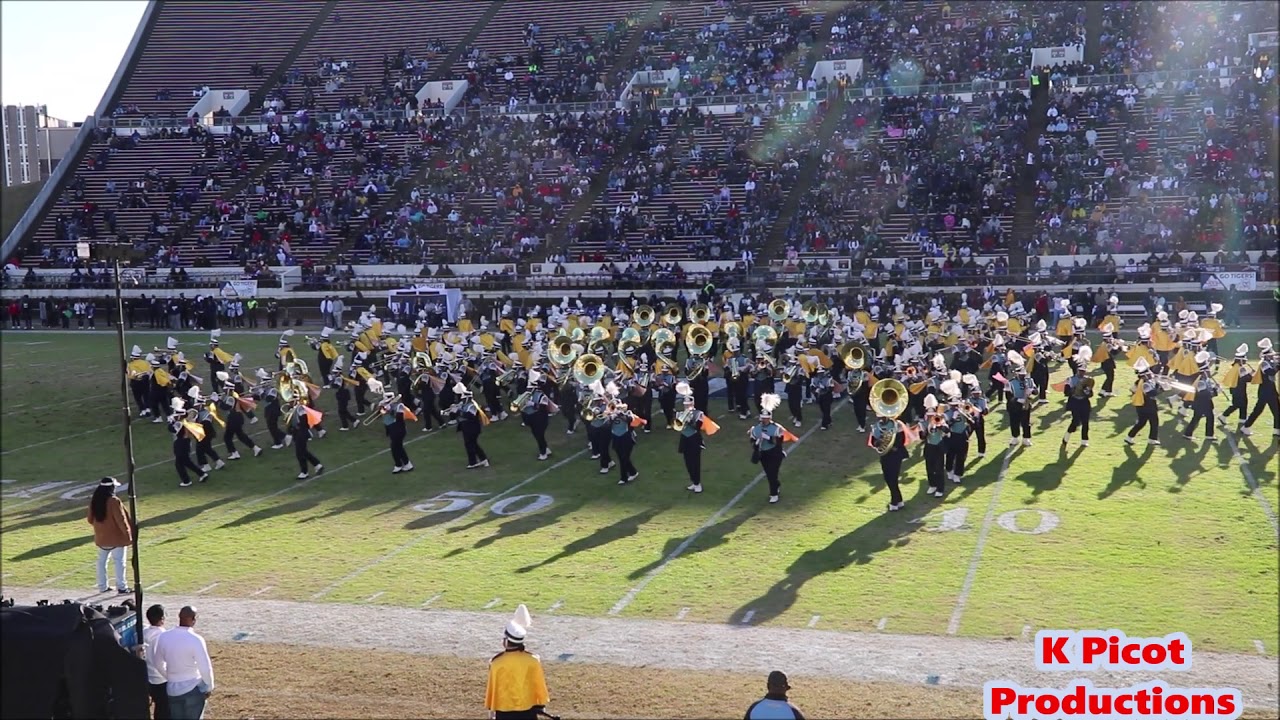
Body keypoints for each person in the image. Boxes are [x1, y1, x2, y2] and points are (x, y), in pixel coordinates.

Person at [485, 604, 552, 720]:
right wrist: (541, 706)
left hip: (504, 712)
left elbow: (493, 690)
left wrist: (491, 711)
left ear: (506, 641)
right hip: (528, 711)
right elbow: (538, 686)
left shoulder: (496, 663)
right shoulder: (533, 660)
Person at [152, 606, 214, 720]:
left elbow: (157, 663)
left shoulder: (164, 636)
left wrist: (171, 677)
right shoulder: (195, 639)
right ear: (193, 619)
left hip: (172, 690)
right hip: (193, 688)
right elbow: (205, 667)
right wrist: (209, 686)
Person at [749, 394, 798, 504]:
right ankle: (776, 485)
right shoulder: (756, 429)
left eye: (766, 419)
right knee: (770, 474)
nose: (764, 420)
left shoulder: (776, 428)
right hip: (763, 454)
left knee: (772, 473)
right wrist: (756, 442)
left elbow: (779, 442)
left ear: (769, 418)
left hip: (774, 453)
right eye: (763, 418)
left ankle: (773, 494)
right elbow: (752, 441)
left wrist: (769, 438)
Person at [87, 477, 132, 594]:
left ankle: (102, 586)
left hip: (101, 538)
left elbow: (90, 519)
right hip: (116, 538)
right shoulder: (113, 501)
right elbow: (121, 520)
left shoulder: (95, 500)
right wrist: (128, 536)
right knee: (119, 563)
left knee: (101, 562)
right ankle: (122, 586)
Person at [674, 381, 718, 493]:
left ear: (692, 405)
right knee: (687, 462)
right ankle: (694, 482)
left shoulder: (698, 413)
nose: (686, 406)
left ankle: (698, 483)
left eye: (688, 405)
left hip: (694, 439)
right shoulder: (680, 414)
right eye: (685, 405)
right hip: (684, 439)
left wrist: (690, 421)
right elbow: (676, 426)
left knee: (695, 462)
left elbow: (698, 426)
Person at [1125, 357, 1162, 446]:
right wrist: (1162, 389)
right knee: (1154, 422)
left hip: (1141, 405)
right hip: (1148, 405)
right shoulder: (1145, 383)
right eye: (1148, 373)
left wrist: (1157, 383)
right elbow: (1152, 393)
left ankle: (1129, 437)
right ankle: (1152, 439)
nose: (1150, 375)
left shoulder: (1140, 381)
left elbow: (1133, 390)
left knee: (1141, 422)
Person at [455, 381, 491, 468]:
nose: (461, 400)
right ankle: (483, 459)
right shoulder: (465, 405)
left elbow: (470, 416)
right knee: (472, 444)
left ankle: (473, 462)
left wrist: (459, 411)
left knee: (470, 444)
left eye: (463, 398)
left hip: (472, 428)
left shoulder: (472, 405)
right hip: (467, 428)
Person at [144, 604, 169, 720]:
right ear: (162, 619)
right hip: (161, 678)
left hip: (148, 676)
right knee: (164, 709)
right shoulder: (163, 636)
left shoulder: (143, 632)